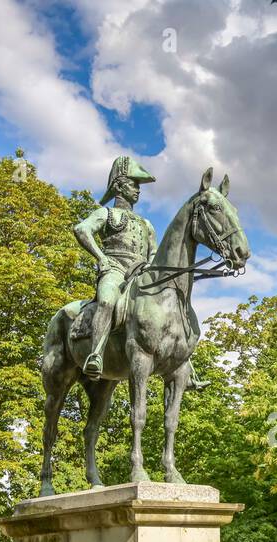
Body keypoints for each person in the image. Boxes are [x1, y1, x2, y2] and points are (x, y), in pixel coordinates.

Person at [71, 156, 157, 377]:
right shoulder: (106, 214)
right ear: (119, 186)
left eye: (139, 186)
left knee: (168, 308)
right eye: (133, 184)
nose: (138, 190)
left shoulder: (146, 224)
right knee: (107, 301)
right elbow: (82, 229)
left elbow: (153, 252)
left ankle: (184, 367)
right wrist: (101, 257)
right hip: (115, 269)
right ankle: (96, 354)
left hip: (140, 273)